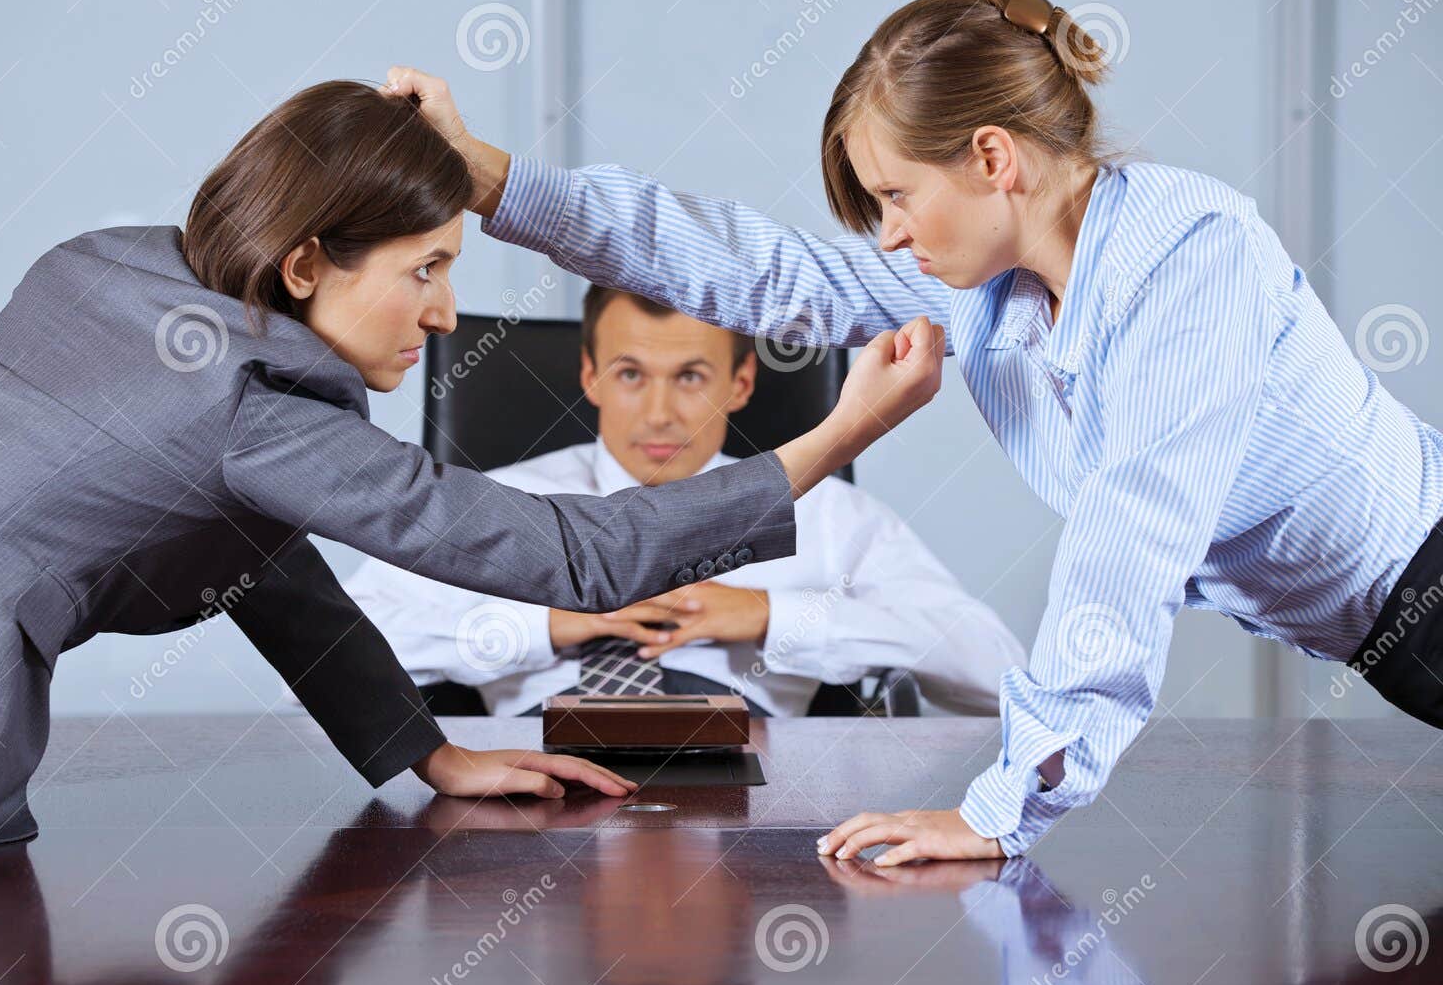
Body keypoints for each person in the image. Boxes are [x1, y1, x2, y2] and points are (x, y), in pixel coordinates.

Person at [386, 0, 1443, 863]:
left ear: (991, 157)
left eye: (896, 196)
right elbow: (757, 270)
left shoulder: (1188, 262)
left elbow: (1126, 539)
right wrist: (489, 179)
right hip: (1387, 633)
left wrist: (1000, 812)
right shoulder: (986, 279)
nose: (887, 234)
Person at [0, 80, 943, 851]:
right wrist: (833, 438)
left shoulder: (110, 266)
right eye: (424, 267)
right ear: (309, 260)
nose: (446, 309)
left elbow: (252, 557)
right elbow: (575, 554)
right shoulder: (251, 409)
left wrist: (423, 751)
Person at [332, 283, 1023, 716]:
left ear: (741, 382)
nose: (659, 413)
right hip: (528, 808)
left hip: (759, 814)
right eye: (632, 374)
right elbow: (332, 658)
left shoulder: (828, 514)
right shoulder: (496, 499)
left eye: (691, 376)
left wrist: (769, 615)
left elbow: (998, 675)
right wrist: (543, 624)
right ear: (591, 375)